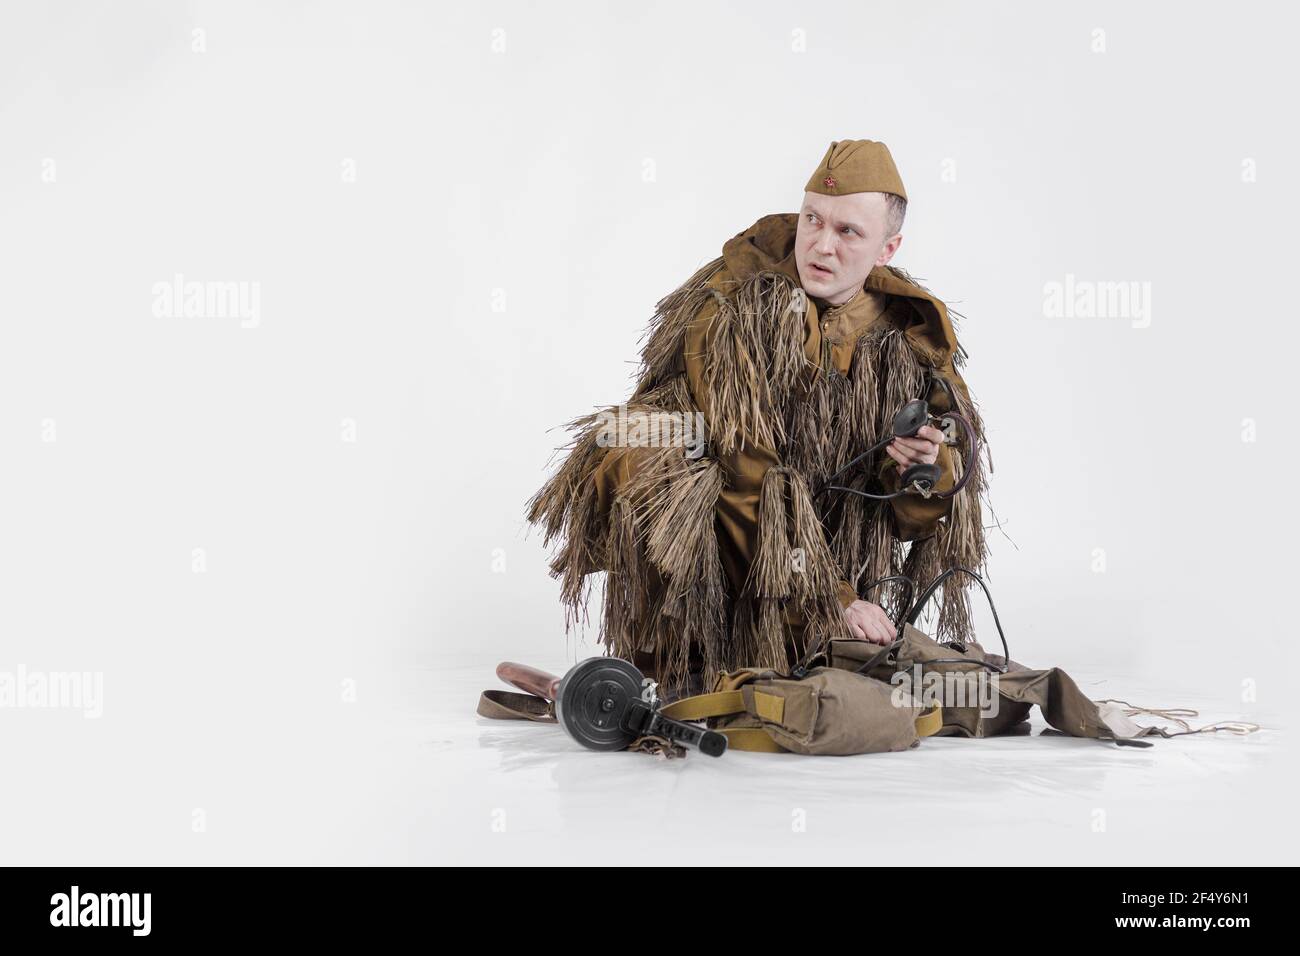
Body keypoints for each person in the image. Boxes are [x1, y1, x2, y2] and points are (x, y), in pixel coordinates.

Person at [527, 140, 990, 700]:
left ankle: (800, 653)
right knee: (650, 449)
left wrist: (925, 468)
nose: (820, 245)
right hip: (730, 525)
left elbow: (920, 514)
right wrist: (832, 598)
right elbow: (749, 474)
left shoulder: (911, 338)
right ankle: (682, 657)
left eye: (848, 232)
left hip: (829, 548)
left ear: (887, 249)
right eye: (812, 220)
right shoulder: (733, 307)